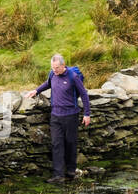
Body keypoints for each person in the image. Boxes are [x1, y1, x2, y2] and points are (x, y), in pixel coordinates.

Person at [23, 54, 91, 184]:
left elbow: (83, 94)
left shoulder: (73, 76)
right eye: (53, 68)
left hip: (71, 115)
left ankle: (71, 171)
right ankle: (58, 175)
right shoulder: (52, 74)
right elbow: (47, 84)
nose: (55, 70)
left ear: (63, 65)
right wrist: (36, 91)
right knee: (56, 144)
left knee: (70, 143)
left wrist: (87, 114)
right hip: (55, 115)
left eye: (57, 68)